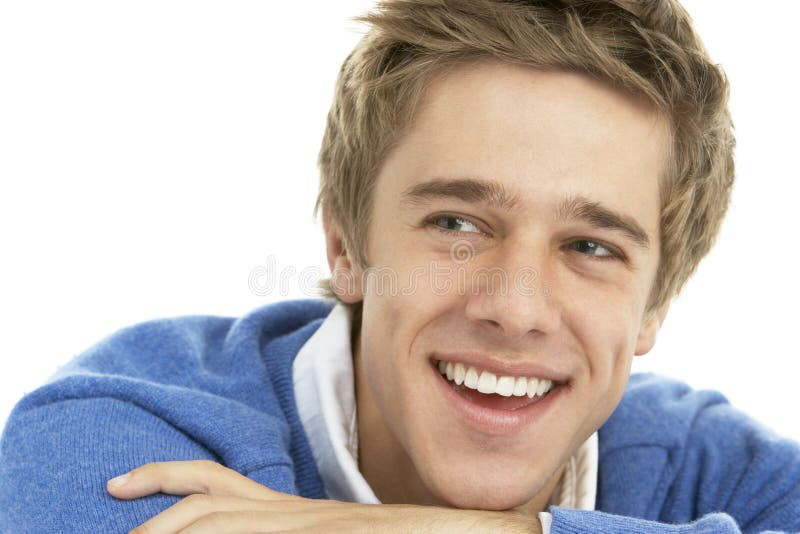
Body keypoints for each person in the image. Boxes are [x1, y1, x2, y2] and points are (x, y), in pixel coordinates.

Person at [1, 0, 798, 532]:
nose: (516, 309)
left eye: (591, 247)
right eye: (456, 223)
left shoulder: (713, 465)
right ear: (347, 246)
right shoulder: (117, 429)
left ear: (657, 302)